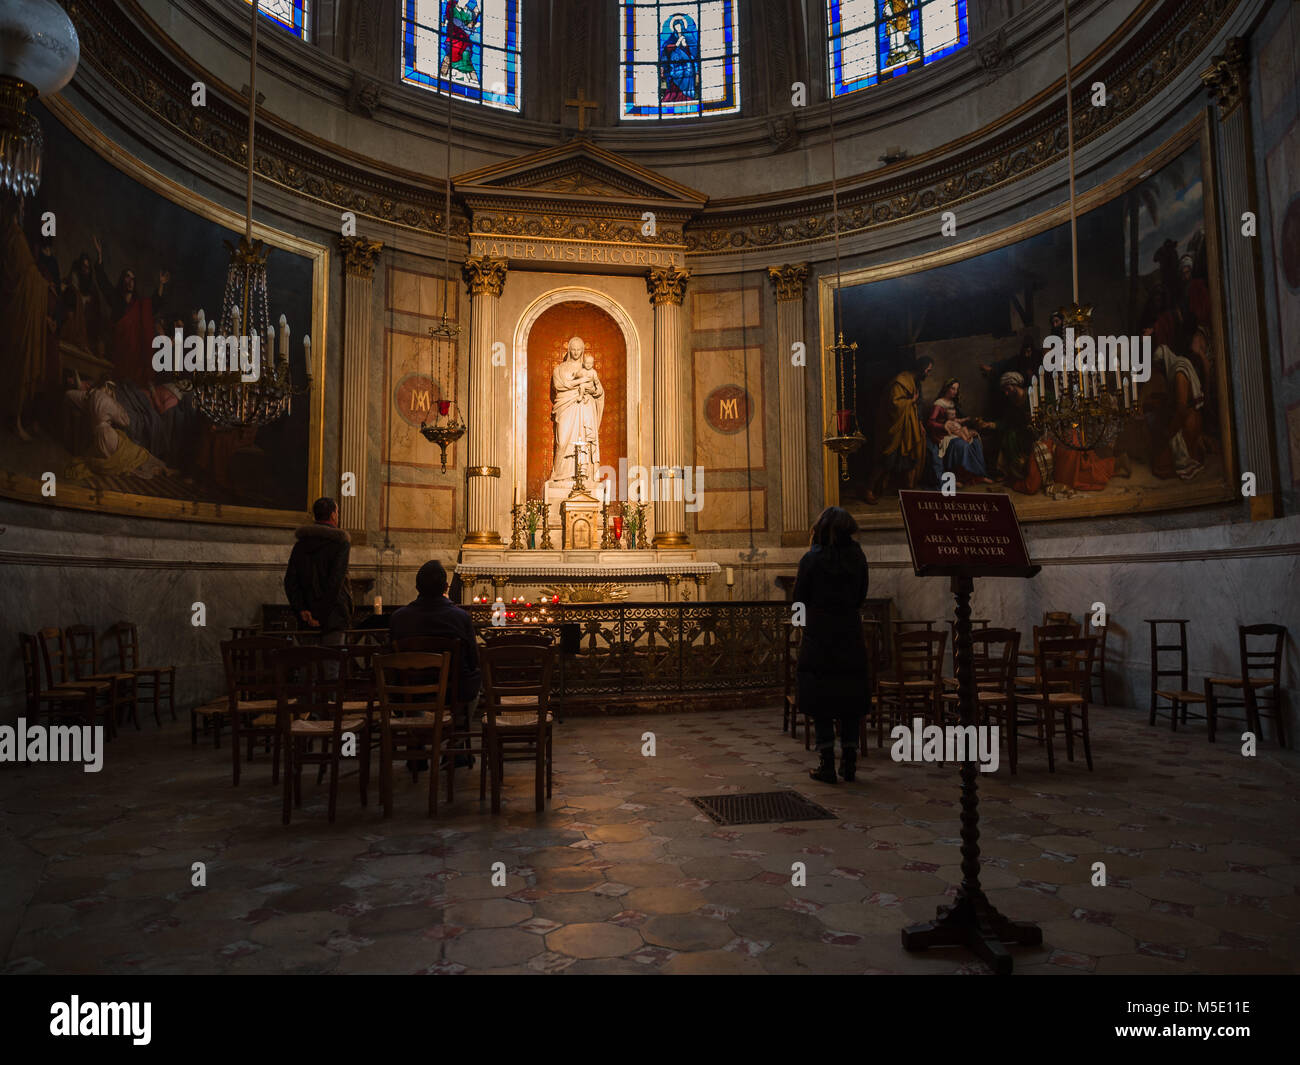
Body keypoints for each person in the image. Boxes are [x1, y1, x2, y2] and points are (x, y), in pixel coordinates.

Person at [794, 506, 870, 785]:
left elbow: (799, 600)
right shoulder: (858, 557)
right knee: (850, 698)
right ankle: (849, 763)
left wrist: (807, 624)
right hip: (850, 633)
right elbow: (862, 593)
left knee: (820, 699)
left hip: (820, 636)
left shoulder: (811, 559)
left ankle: (826, 764)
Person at [389, 560, 481, 767]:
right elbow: (473, 659)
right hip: (452, 691)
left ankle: (416, 746)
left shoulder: (399, 618)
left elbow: (391, 662)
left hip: (410, 691)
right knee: (474, 681)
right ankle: (456, 747)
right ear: (446, 588)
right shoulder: (460, 617)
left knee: (405, 686)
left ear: (416, 587)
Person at [283, 497, 353, 660]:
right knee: (331, 668)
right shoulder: (340, 543)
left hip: (306, 617)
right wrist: (319, 615)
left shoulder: (301, 544)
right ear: (334, 515)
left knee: (308, 669)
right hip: (333, 616)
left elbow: (290, 581)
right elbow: (335, 582)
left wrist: (302, 610)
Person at [865, 355, 932, 504]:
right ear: (921, 368)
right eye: (928, 370)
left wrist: (919, 423)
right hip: (896, 427)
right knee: (886, 460)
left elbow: (918, 405)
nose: (928, 373)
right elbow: (894, 404)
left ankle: (909, 492)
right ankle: (869, 490)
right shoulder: (901, 381)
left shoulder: (917, 382)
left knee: (910, 459)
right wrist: (911, 402)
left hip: (910, 426)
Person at [924, 377, 993, 487]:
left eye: (956, 389)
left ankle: (978, 475)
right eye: (952, 388)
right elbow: (930, 422)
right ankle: (961, 478)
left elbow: (961, 418)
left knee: (975, 441)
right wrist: (943, 425)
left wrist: (972, 424)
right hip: (942, 434)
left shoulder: (952, 403)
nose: (955, 392)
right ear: (946, 388)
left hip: (954, 432)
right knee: (962, 445)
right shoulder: (939, 404)